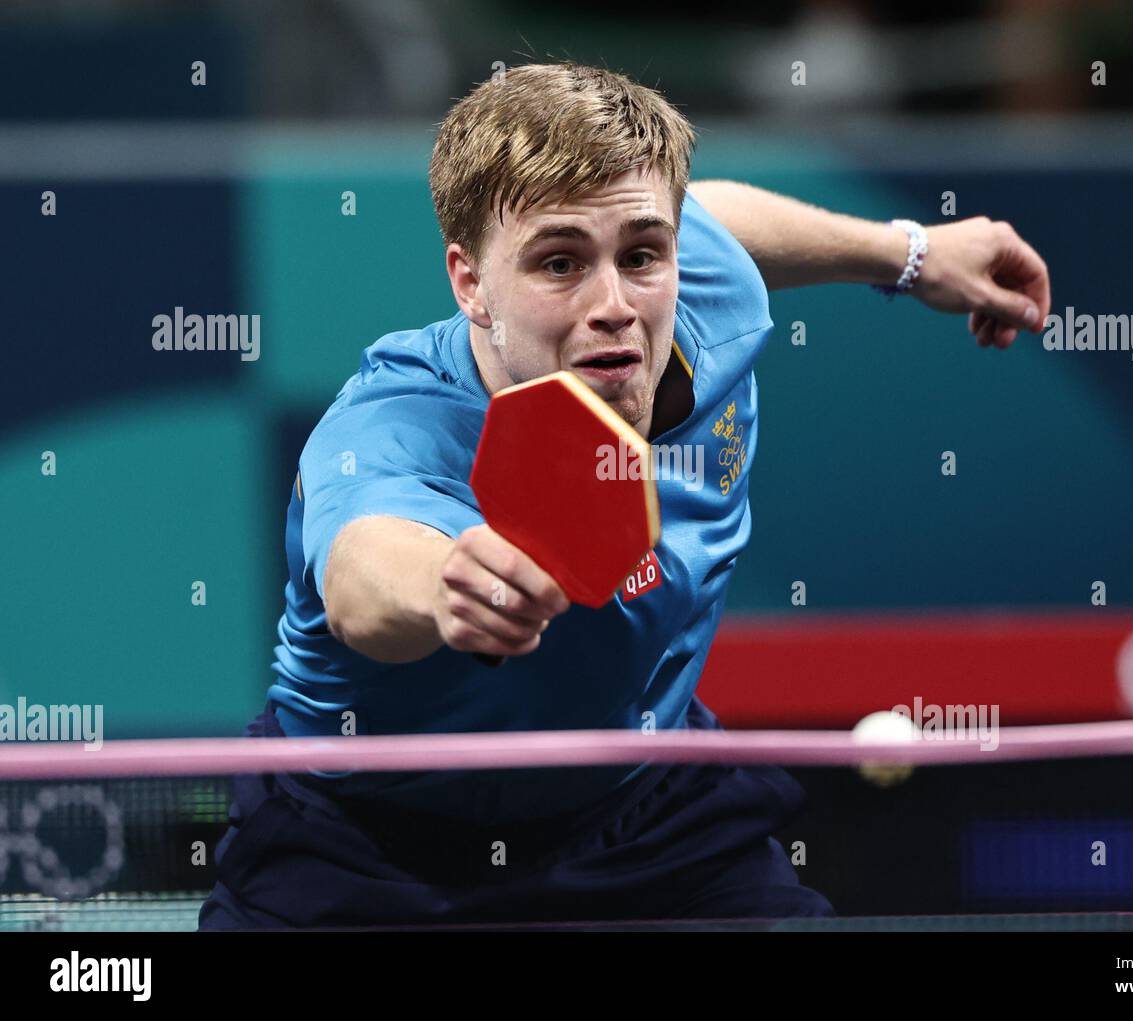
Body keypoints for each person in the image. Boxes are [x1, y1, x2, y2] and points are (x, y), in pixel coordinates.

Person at [199, 61, 1050, 929]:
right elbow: (360, 574)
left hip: (649, 820)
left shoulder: (695, 298)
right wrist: (453, 579)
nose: (614, 304)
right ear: (469, 283)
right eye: (559, 262)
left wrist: (911, 254)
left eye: (642, 253)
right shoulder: (394, 424)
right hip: (365, 852)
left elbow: (717, 217)